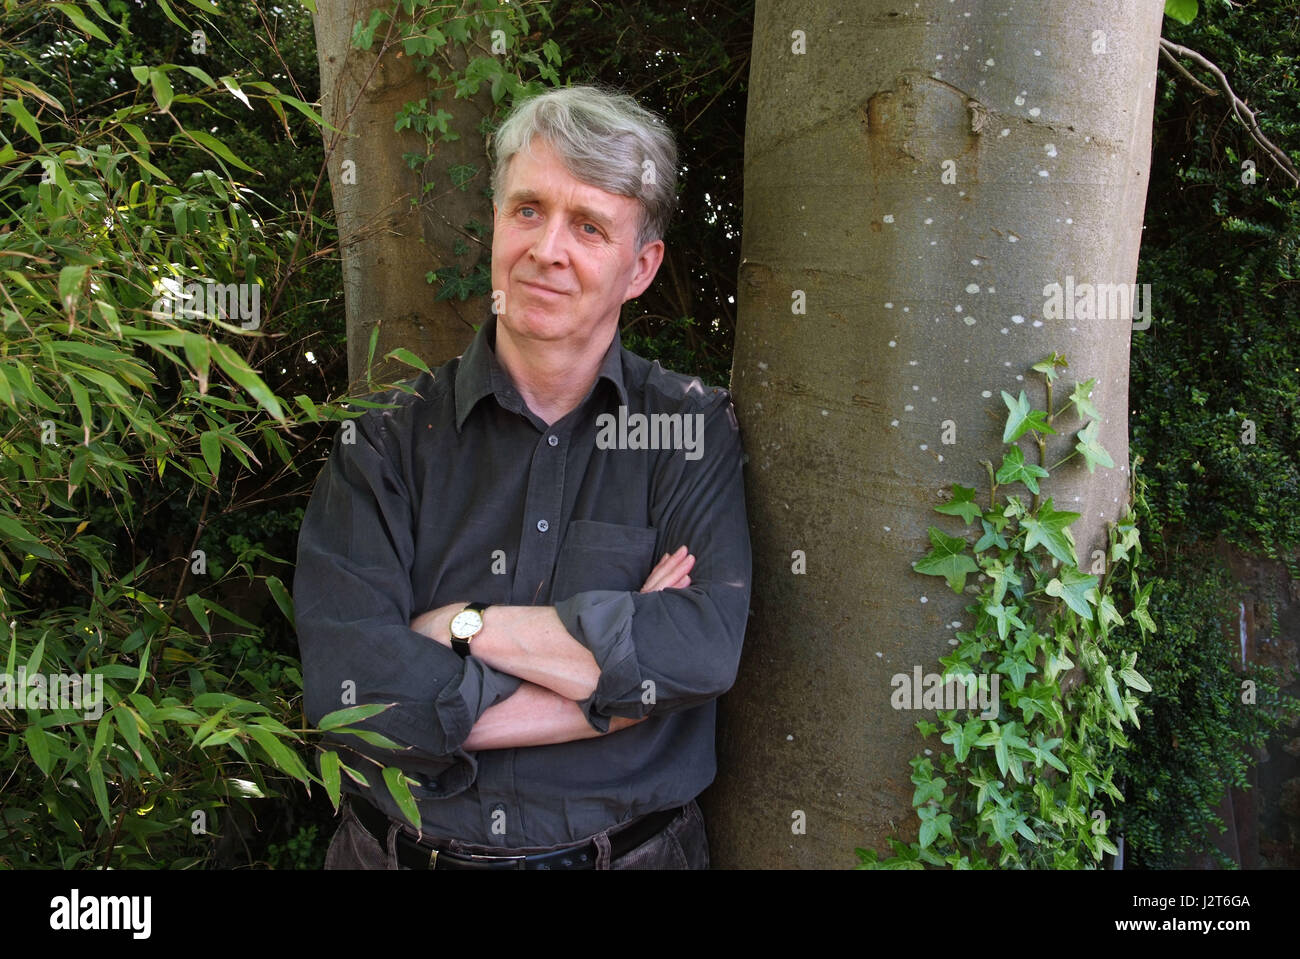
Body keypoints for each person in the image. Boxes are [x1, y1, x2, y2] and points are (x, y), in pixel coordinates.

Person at [293, 84, 751, 869]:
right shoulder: (384, 439)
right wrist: (613, 694)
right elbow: (353, 691)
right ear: (499, 222)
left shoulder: (689, 429)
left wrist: (465, 625)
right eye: (529, 209)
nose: (548, 249)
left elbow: (703, 648)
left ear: (640, 268)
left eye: (589, 226)